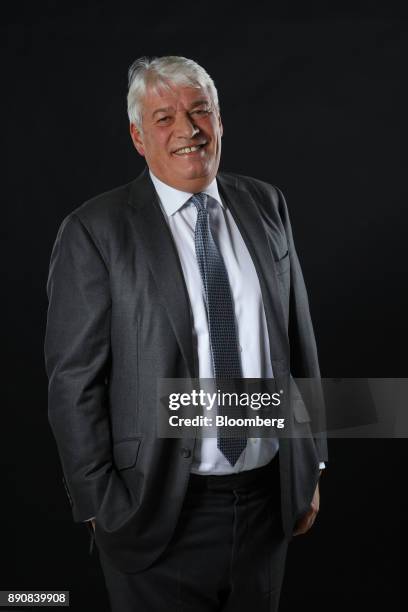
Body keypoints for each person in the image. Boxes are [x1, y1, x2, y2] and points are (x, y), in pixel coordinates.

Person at [44, 55, 327, 612]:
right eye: (164, 117)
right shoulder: (95, 231)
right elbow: (72, 384)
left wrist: (310, 462)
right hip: (157, 512)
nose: (188, 130)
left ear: (220, 121)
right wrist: (103, 504)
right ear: (137, 137)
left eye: (200, 112)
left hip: (267, 502)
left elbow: (297, 343)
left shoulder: (266, 205)